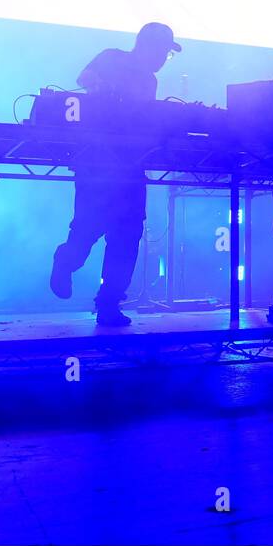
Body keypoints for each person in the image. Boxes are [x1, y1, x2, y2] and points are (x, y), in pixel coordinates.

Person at [50, 23, 182, 325]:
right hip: (95, 163)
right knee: (87, 229)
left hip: (131, 168)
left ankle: (108, 305)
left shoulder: (149, 81)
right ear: (146, 46)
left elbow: (143, 118)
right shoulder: (112, 57)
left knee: (126, 237)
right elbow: (82, 78)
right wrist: (104, 89)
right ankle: (65, 261)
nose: (163, 59)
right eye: (163, 51)